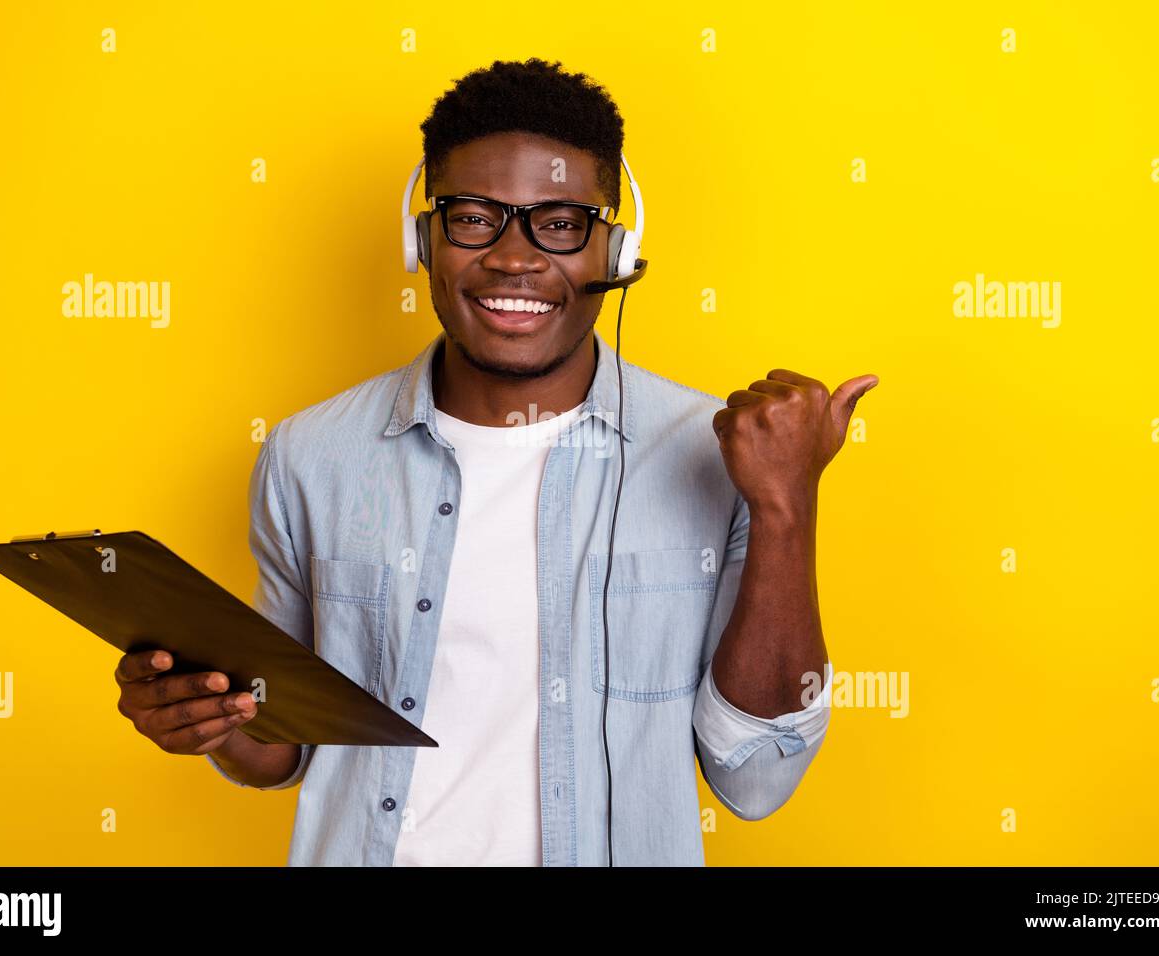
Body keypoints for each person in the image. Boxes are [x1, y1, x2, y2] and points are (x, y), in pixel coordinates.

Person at [114, 58, 878, 866]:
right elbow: (284, 745)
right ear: (423, 242)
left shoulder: (714, 452)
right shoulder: (311, 455)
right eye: (475, 218)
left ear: (616, 251)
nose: (514, 259)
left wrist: (785, 506)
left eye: (560, 222)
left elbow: (755, 780)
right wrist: (209, 724)